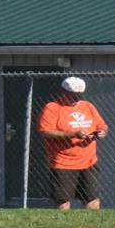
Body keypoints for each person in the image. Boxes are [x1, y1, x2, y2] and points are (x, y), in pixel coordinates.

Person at [37, 76, 108, 210]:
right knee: (62, 200)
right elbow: (45, 132)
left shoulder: (88, 106)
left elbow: (102, 126)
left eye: (80, 95)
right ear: (64, 92)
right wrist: (73, 134)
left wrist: (102, 132)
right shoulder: (53, 108)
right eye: (74, 95)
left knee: (92, 199)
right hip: (63, 162)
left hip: (88, 161)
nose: (77, 99)